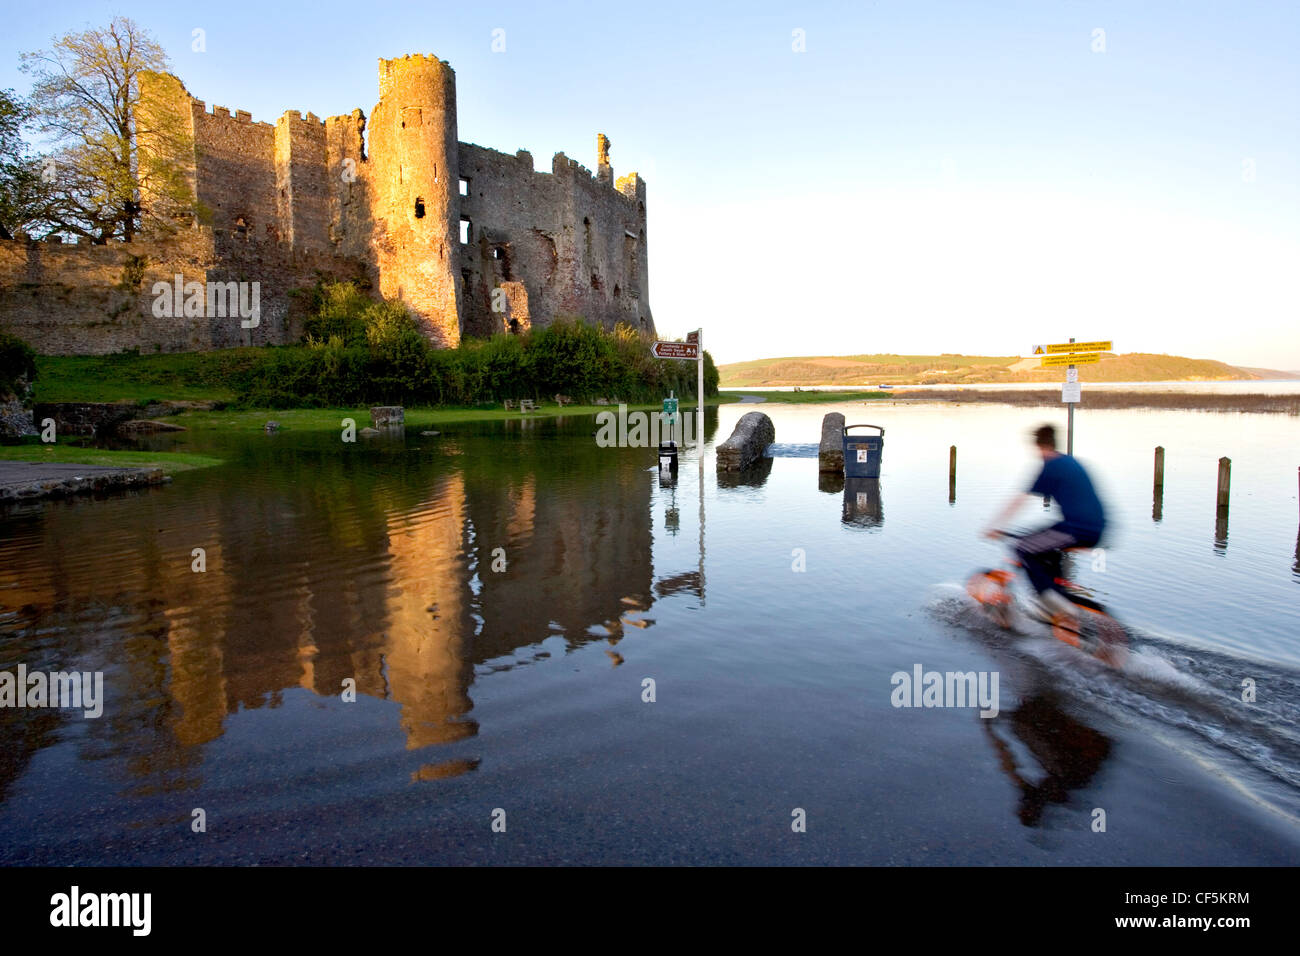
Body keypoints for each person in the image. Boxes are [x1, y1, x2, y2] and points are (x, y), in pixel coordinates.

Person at [982, 424, 1107, 629]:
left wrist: (995, 526)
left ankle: (1051, 602)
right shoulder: (1071, 461)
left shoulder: (1050, 465)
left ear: (1038, 446)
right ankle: (1060, 596)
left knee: (1023, 548)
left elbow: (1020, 501)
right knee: (1046, 550)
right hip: (1096, 528)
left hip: (1076, 528)